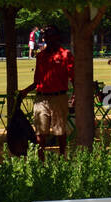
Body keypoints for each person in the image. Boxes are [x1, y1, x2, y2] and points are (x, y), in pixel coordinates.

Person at [20, 25, 74, 159]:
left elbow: (74, 77)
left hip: (59, 97)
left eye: (51, 36)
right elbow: (37, 80)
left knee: (60, 131)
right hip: (41, 98)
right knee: (40, 132)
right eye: (46, 37)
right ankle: (41, 161)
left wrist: (75, 95)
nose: (48, 39)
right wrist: (25, 91)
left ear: (57, 38)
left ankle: (62, 158)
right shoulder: (41, 56)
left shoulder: (66, 55)